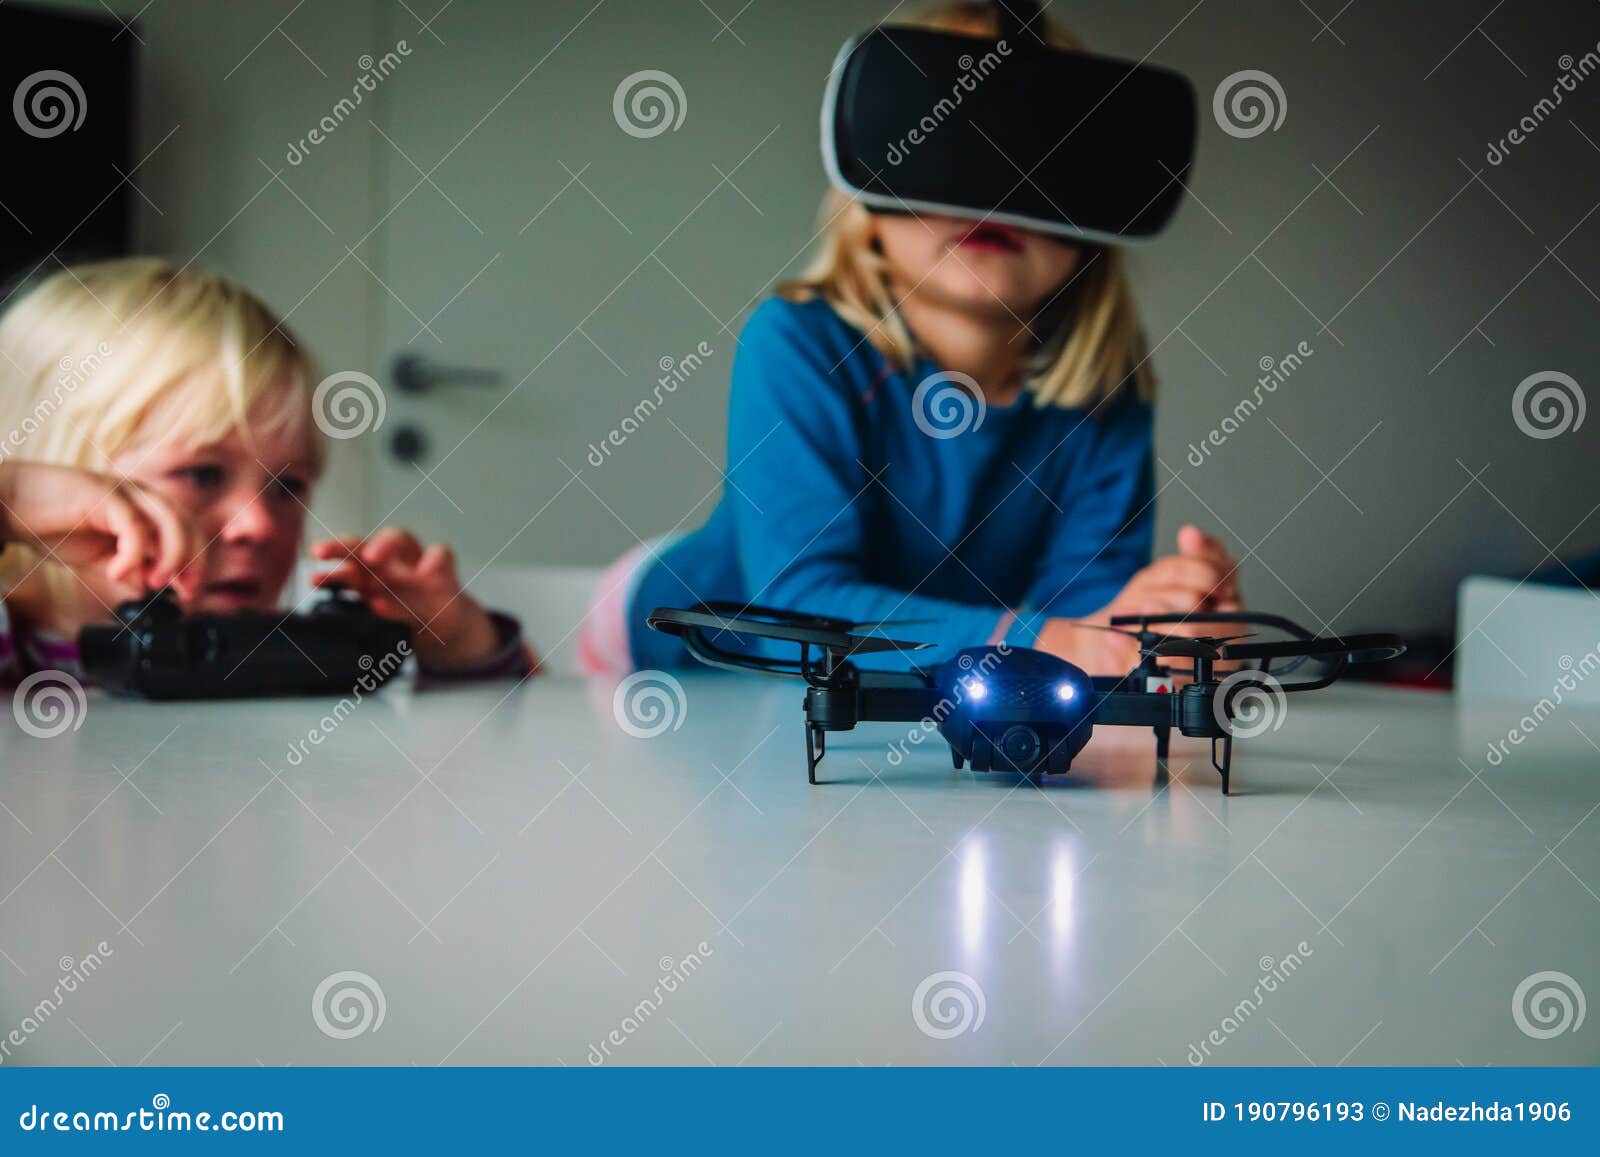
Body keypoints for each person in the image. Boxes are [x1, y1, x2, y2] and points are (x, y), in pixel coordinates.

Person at [581, 1, 1240, 678]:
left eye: (1039, 156)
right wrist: (1058, 643)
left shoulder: (1109, 399)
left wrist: (1162, 628)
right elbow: (796, 613)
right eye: (946, 143)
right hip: (672, 645)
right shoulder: (799, 345)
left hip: (880, 679)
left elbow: (1090, 629)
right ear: (865, 206)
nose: (992, 195)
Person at [0, 258, 535, 687]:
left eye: (288, 486)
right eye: (203, 475)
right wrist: (8, 494)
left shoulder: (300, 654)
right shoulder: (12, 649)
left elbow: (517, 743)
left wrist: (460, 643)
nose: (259, 525)